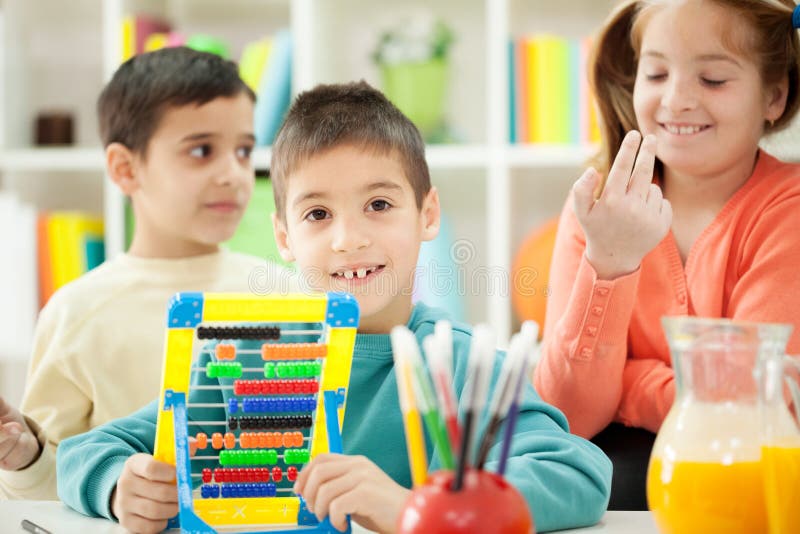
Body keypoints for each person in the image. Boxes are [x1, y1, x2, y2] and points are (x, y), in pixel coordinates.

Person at [57, 81, 612, 534]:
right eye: (318, 215)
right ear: (284, 237)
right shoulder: (247, 358)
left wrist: (414, 511)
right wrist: (120, 487)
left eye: (379, 204)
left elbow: (577, 473)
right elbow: (87, 451)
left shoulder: (461, 365)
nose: (349, 239)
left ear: (427, 214)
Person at [534, 0, 800, 510]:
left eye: (713, 80)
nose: (676, 100)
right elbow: (565, 411)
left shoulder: (789, 209)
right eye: (656, 74)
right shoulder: (598, 209)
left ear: (774, 96)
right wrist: (609, 263)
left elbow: (751, 410)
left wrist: (625, 383)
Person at [0, 47, 293, 499]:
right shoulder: (75, 312)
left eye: (243, 151)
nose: (234, 174)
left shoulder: (286, 293)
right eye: (201, 150)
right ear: (125, 168)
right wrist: (27, 459)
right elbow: (53, 487)